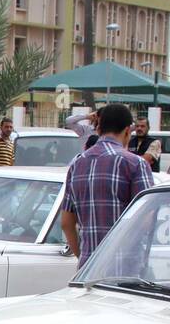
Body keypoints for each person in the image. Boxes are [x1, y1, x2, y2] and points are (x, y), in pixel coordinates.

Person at [60, 102, 154, 268]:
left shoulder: (77, 164)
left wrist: (85, 259)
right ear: (127, 131)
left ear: (98, 129)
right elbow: (146, 220)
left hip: (87, 269)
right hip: (126, 269)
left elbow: (67, 223)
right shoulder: (135, 164)